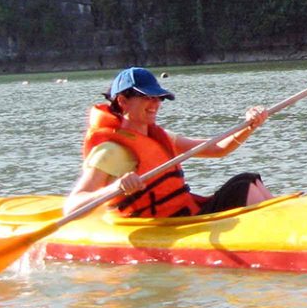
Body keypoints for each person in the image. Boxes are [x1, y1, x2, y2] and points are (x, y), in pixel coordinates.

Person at [66, 67, 274, 218]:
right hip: (161, 224)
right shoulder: (110, 151)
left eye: (159, 98)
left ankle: (279, 225)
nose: (155, 104)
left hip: (186, 214)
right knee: (242, 190)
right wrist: (114, 188)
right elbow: (72, 206)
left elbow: (218, 149)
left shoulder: (161, 137)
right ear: (122, 101)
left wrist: (250, 125)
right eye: (147, 97)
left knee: (246, 181)